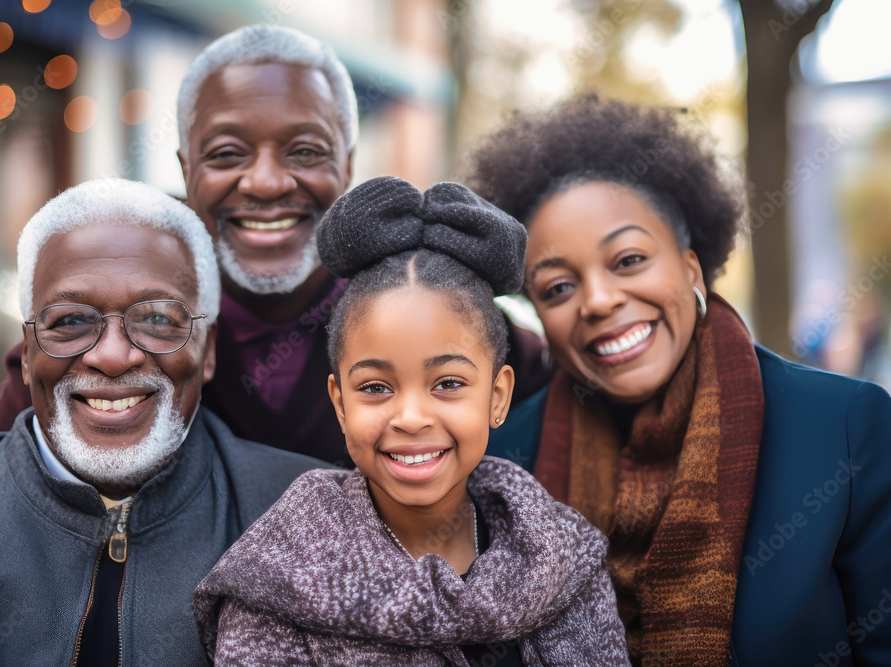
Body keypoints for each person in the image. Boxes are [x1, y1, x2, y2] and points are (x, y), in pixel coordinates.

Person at [0, 24, 550, 465]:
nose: (267, 183)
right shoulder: (126, 311)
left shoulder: (410, 298)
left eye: (305, 151)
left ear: (346, 165)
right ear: (186, 170)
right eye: (227, 154)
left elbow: (551, 380)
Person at [465, 95, 891, 666]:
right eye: (559, 288)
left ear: (692, 268)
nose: (599, 301)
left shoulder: (844, 426)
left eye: (628, 260)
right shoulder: (501, 460)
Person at [193, 177, 630, 666]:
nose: (411, 418)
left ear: (498, 396)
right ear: (340, 404)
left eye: (448, 383)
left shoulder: (564, 559)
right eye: (375, 388)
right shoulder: (276, 582)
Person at [0, 180, 324, 665]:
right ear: (27, 354)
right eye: (72, 320)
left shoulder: (315, 521)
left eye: (158, 319)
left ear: (208, 351)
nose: (114, 356)